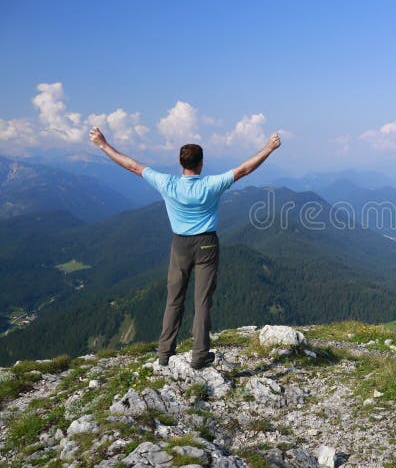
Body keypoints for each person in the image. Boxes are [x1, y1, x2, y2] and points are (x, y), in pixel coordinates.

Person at [89, 126, 281, 369]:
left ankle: (164, 353)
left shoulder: (167, 183)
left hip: (179, 244)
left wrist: (103, 145)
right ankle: (199, 354)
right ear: (201, 163)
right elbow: (245, 169)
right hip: (207, 244)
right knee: (202, 302)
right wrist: (269, 148)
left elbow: (132, 166)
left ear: (181, 163)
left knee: (174, 300)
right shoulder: (211, 184)